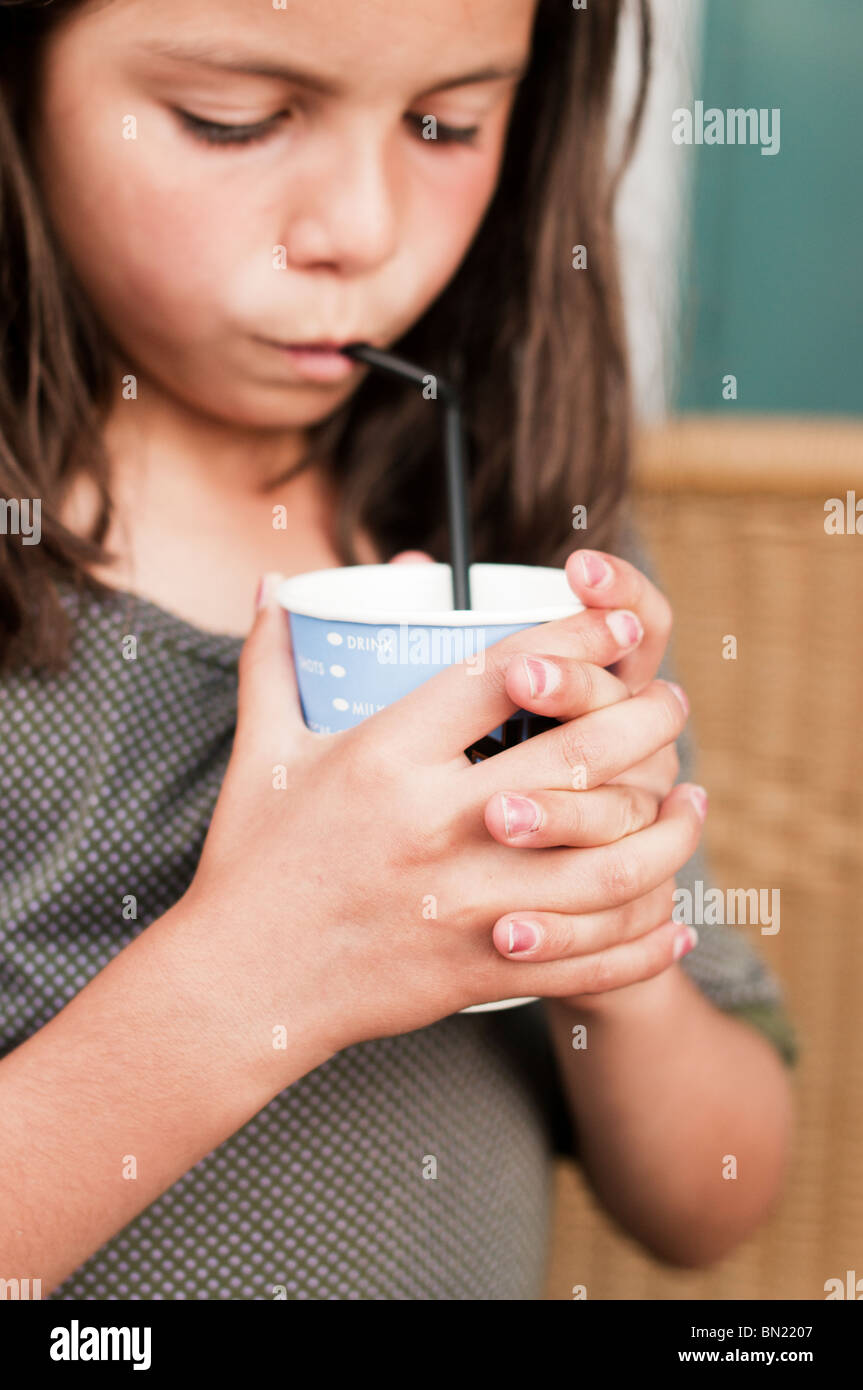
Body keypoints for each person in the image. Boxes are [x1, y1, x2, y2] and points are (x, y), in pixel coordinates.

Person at [0, 0, 796, 1300]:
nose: (361, 231)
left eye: (448, 121)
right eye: (234, 120)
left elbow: (716, 1196)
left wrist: (611, 947)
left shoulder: (521, 526)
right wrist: (260, 968)